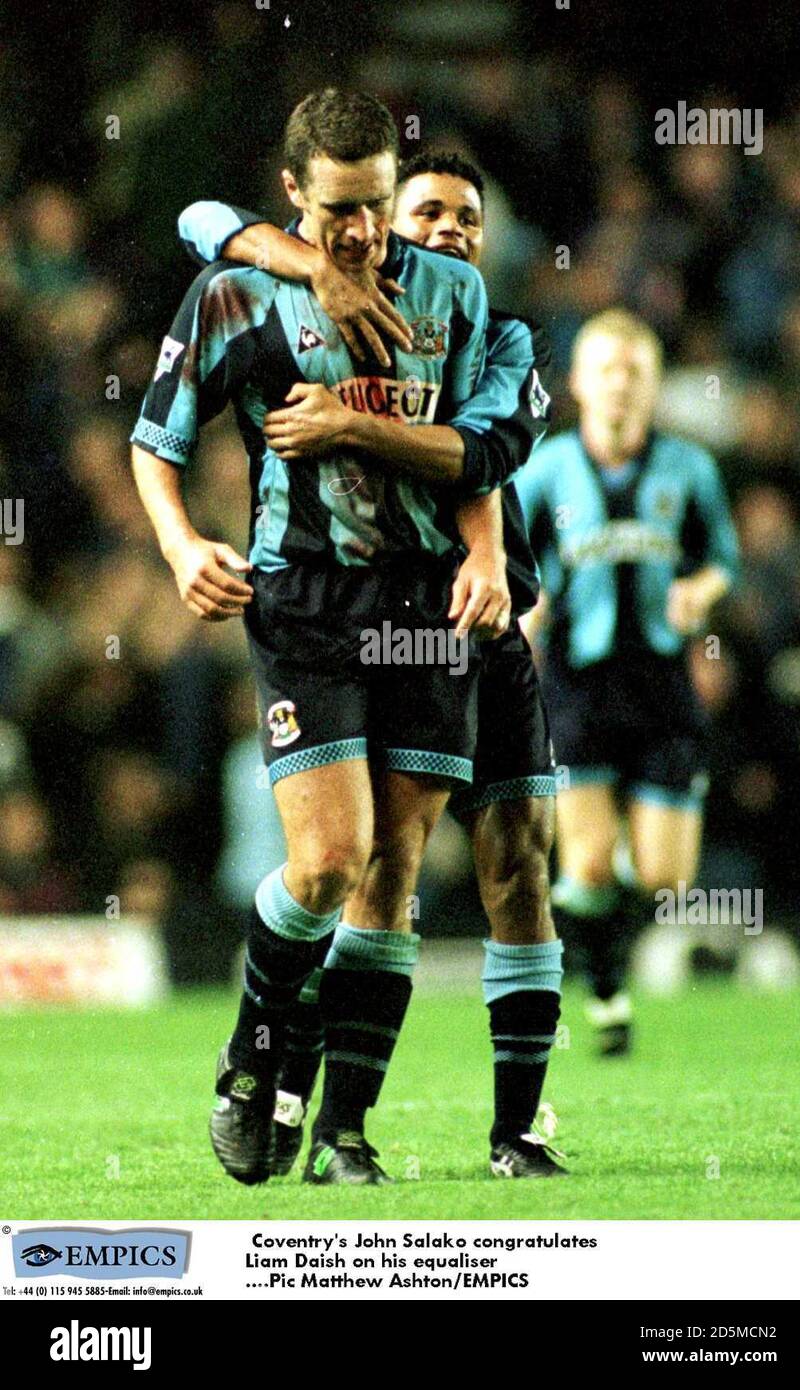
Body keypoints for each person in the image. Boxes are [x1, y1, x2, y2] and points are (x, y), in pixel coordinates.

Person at [132, 91, 542, 1188]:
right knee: (321, 863)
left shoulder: (453, 291)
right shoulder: (236, 291)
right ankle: (250, 1060)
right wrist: (179, 547)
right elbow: (153, 439)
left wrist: (485, 555)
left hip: (421, 601)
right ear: (292, 197)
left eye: (375, 205)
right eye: (341, 211)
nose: (364, 231)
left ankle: (341, 1134)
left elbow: (471, 453)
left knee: (393, 871)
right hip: (304, 600)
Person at [516, 309, 739, 1053]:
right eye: (605, 370)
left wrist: (697, 593)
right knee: (581, 862)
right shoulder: (545, 472)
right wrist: (528, 608)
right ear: (578, 383)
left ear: (653, 387)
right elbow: (514, 561)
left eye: (634, 371)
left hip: (661, 687)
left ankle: (602, 932)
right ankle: (607, 990)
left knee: (666, 880)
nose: (619, 385)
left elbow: (721, 558)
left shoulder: (689, 469)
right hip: (577, 688)